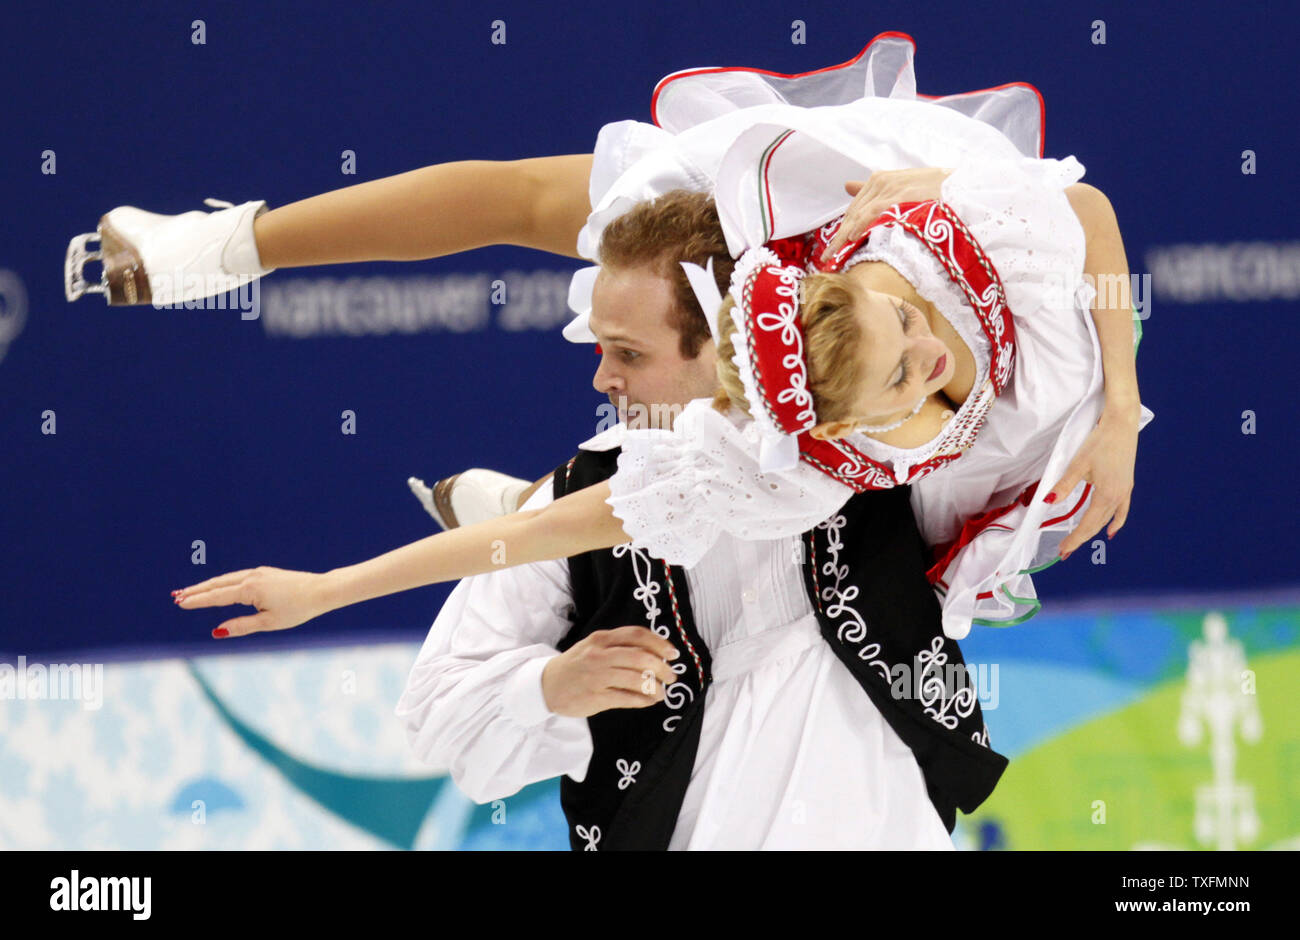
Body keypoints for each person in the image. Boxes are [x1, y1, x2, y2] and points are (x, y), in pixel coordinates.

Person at [169, 34, 1150, 642]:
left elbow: (1091, 213)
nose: (928, 350)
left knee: (793, 593)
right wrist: (331, 589)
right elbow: (562, 531)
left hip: (981, 337)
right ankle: (226, 245)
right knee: (536, 203)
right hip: (839, 269)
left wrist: (1119, 409)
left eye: (905, 333)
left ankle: (229, 246)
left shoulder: (980, 235)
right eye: (902, 349)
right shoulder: (802, 454)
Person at [394, 189, 1002, 849]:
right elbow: (433, 712)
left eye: (628, 354)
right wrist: (548, 685)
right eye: (601, 350)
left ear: (723, 342)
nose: (602, 380)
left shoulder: (878, 442)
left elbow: (1052, 231)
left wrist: (1116, 415)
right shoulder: (587, 498)